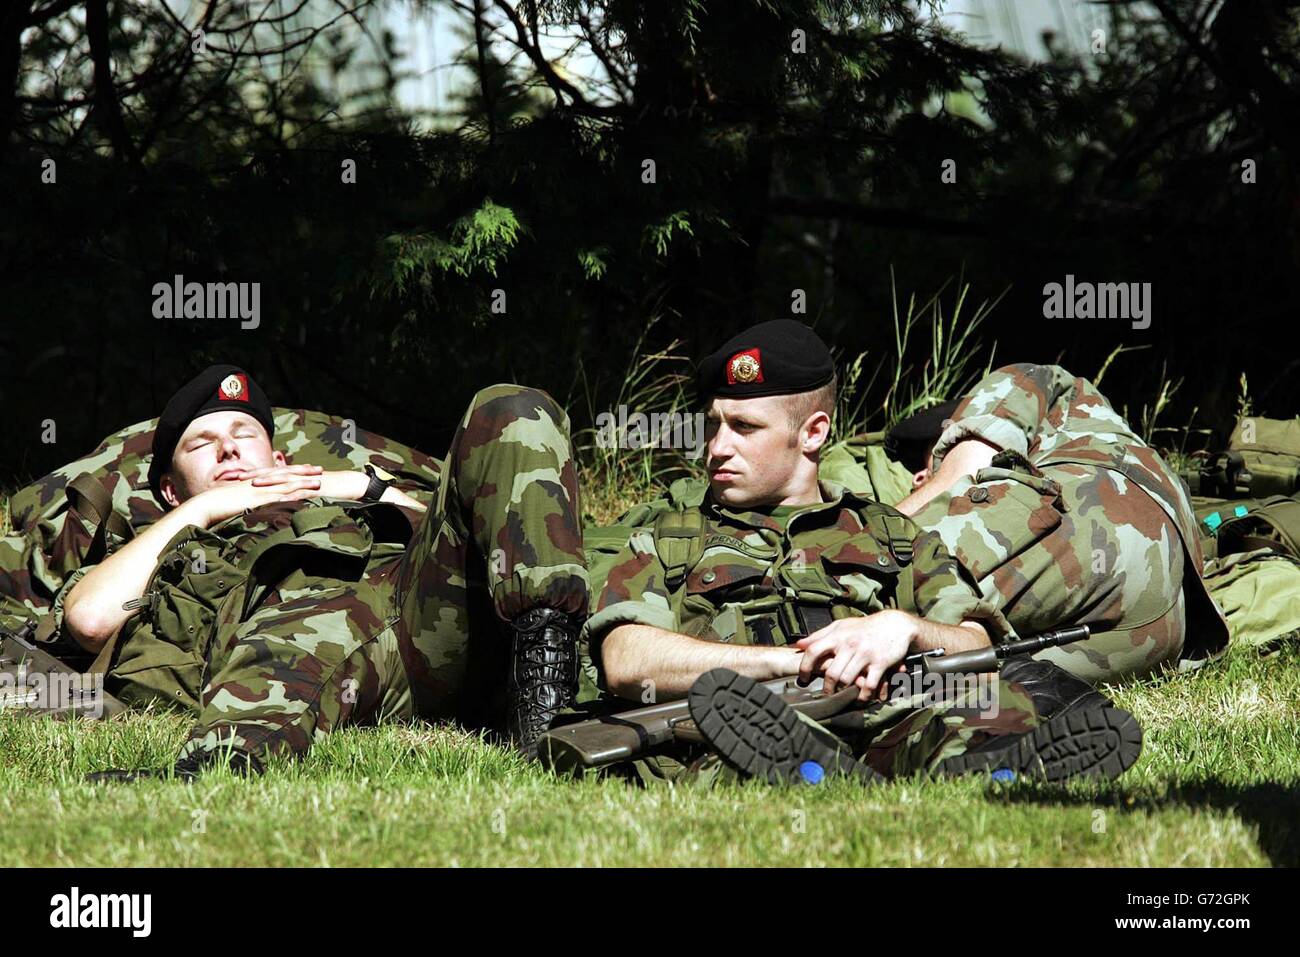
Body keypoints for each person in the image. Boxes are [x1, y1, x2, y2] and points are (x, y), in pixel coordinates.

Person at [582, 321, 1142, 786]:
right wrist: (787, 662)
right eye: (714, 426)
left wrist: (902, 628)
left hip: (888, 717)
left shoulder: (890, 533)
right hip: (736, 726)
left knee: (988, 710)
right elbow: (628, 660)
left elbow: (976, 642)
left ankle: (996, 769)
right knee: (736, 750)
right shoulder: (667, 536)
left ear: (813, 433)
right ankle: (822, 773)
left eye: (743, 427)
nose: (717, 447)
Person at [56, 364, 587, 778]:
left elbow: (489, 529)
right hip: (309, 632)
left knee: (511, 405)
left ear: (282, 460)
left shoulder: (347, 492)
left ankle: (543, 703)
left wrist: (365, 489)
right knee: (307, 614)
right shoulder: (168, 539)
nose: (228, 447)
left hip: (423, 617)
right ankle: (221, 763)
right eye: (201, 444)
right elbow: (90, 618)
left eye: (245, 434)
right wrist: (201, 511)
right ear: (170, 489)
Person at [894, 363, 1229, 683]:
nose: (919, 478)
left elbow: (961, 472)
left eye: (926, 462)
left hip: (1103, 523)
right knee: (919, 673)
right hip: (1164, 632)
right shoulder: (1122, 446)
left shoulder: (1026, 379)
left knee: (868, 569)